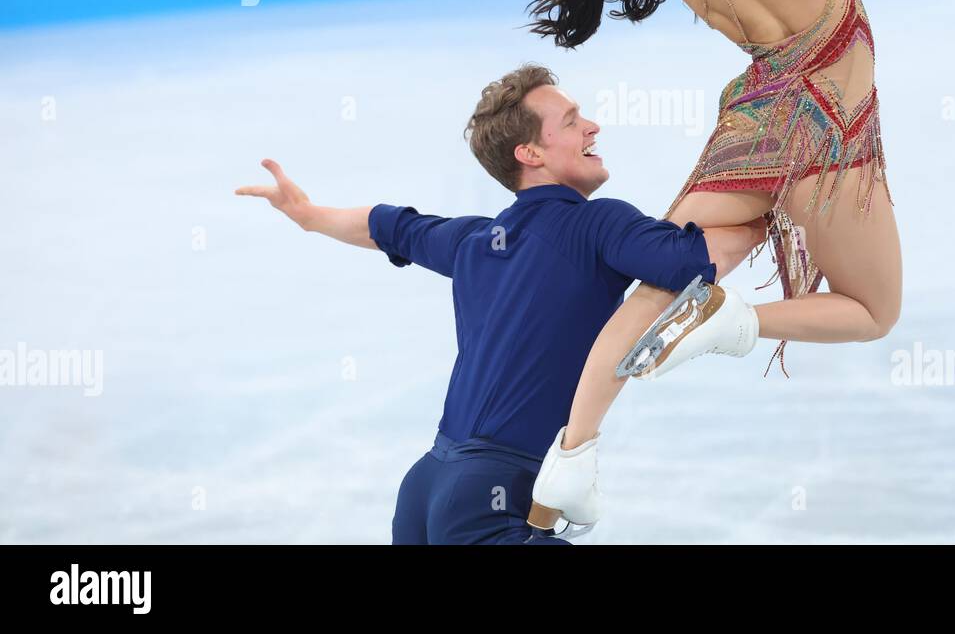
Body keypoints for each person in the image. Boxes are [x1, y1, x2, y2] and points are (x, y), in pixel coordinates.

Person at [526, 0, 927, 527]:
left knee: (652, 286)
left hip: (751, 130)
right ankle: (735, 319)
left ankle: (571, 457)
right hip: (824, 138)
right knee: (873, 312)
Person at [235, 63, 765, 543]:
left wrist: (309, 215)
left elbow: (388, 225)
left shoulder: (476, 241)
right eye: (573, 119)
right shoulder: (595, 223)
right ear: (530, 154)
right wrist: (779, 207)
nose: (592, 127)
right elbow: (694, 263)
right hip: (490, 501)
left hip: (425, 491)